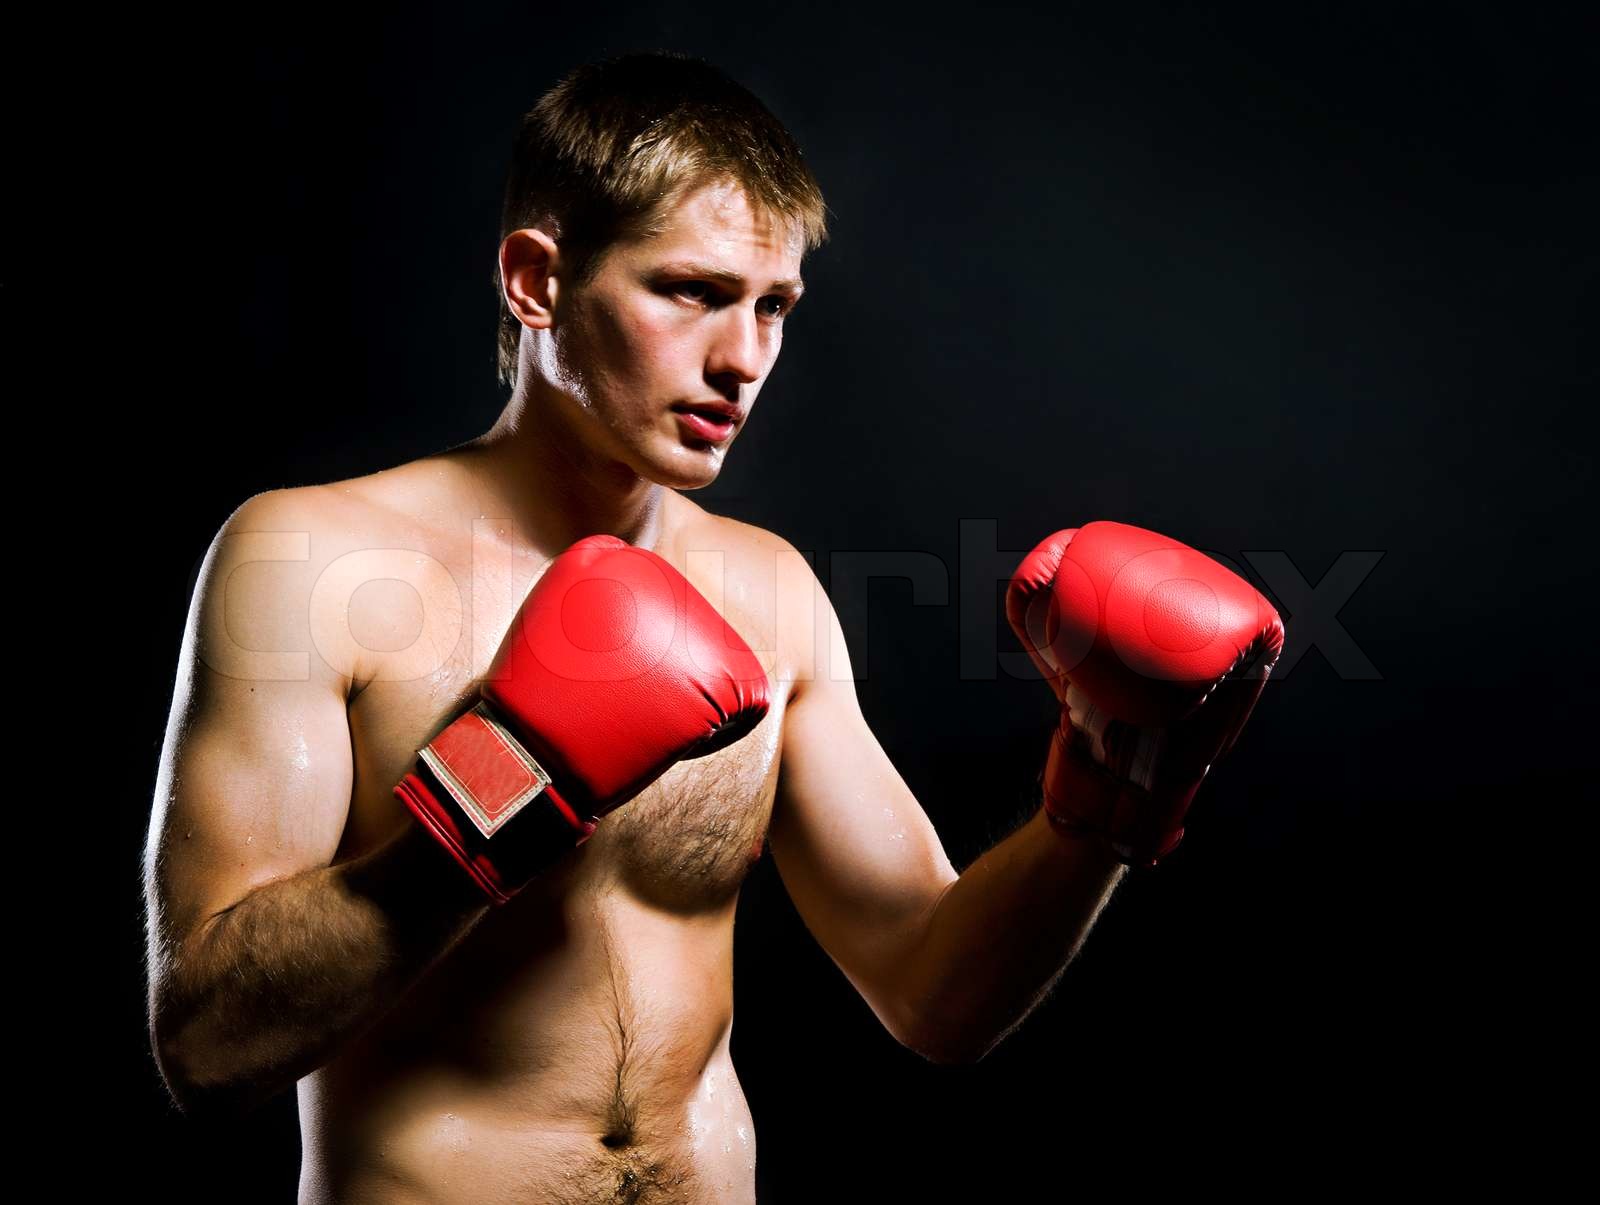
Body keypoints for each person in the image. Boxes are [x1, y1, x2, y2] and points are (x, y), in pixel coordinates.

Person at [143, 51, 1283, 1203]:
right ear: (536, 280)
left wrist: (1105, 801)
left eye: (773, 304)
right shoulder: (308, 560)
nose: (743, 359)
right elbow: (205, 1045)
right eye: (690, 291)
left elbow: (933, 989)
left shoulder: (768, 591)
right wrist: (506, 784)